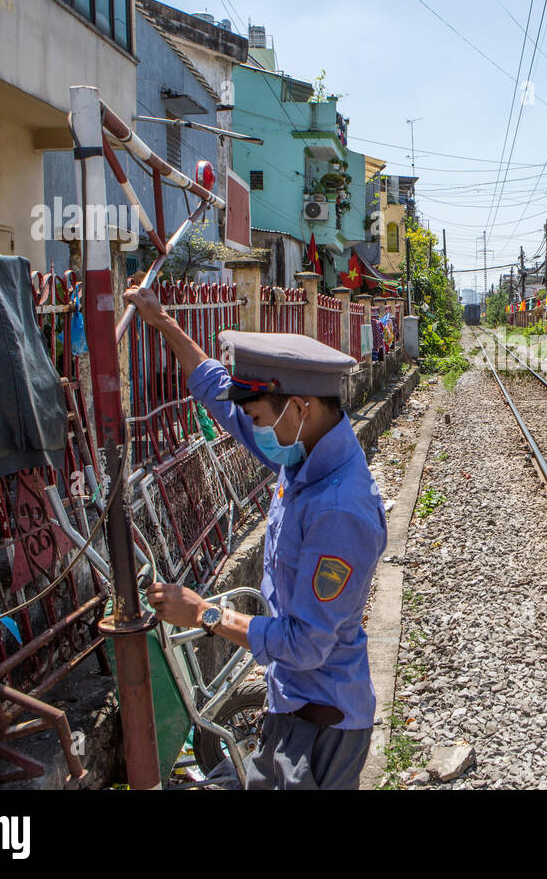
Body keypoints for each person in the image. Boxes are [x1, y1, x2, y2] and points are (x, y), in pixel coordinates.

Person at [123, 285, 387, 790]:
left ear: (300, 408)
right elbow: (219, 392)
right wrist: (164, 323)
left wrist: (206, 614)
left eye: (259, 419)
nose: (252, 429)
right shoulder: (301, 449)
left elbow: (305, 644)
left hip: (323, 725)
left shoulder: (340, 510)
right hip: (292, 703)